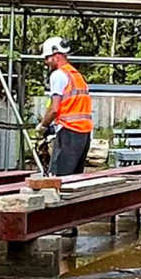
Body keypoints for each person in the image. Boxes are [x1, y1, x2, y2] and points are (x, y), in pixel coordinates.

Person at [37, 36, 94, 176]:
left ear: (56, 56)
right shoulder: (76, 76)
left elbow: (54, 108)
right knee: (74, 179)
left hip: (69, 133)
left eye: (47, 58)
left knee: (58, 179)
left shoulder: (58, 75)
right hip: (84, 135)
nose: (46, 62)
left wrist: (43, 126)